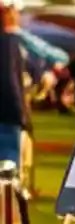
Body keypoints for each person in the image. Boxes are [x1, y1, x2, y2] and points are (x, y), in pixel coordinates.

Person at [0, 0, 29, 169]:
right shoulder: (8, 41)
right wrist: (20, 113)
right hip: (6, 115)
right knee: (8, 170)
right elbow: (9, 79)